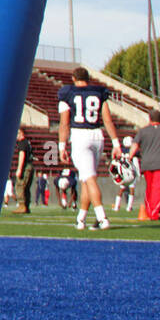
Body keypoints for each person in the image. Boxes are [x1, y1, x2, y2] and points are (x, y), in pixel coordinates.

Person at [58, 66, 121, 230]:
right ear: (88, 79)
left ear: (73, 78)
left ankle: (102, 218)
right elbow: (107, 120)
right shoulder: (99, 92)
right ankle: (81, 219)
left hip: (80, 136)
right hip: (97, 136)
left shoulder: (67, 92)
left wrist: (62, 145)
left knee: (89, 179)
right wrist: (116, 143)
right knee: (87, 179)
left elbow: (64, 123)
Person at [126, 109, 160, 221]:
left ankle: (150, 211)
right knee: (158, 190)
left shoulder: (143, 131)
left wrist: (129, 157)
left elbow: (135, 145)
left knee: (149, 189)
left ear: (150, 118)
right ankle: (154, 213)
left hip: (146, 164)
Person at [12, 126, 34, 214]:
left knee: (20, 186)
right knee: (26, 187)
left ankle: (22, 205)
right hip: (30, 166)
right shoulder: (27, 142)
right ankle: (26, 206)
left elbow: (22, 155)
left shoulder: (22, 143)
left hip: (26, 166)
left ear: (21, 133)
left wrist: (19, 169)